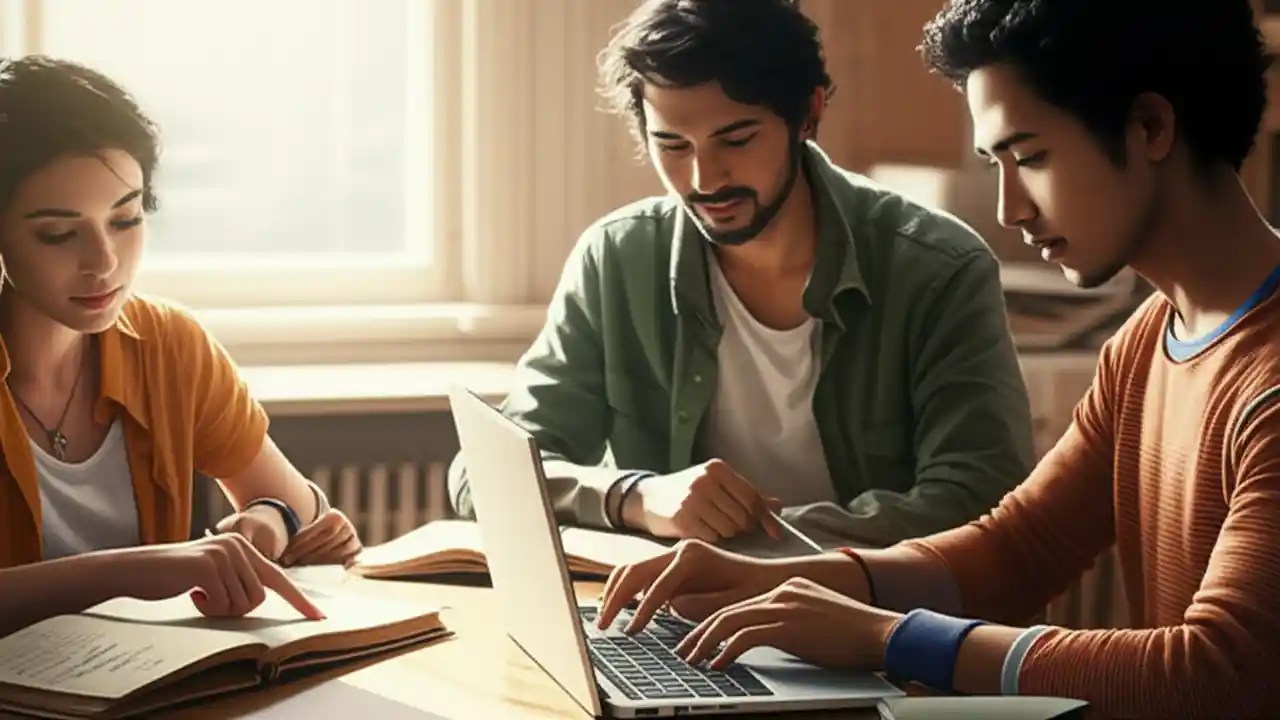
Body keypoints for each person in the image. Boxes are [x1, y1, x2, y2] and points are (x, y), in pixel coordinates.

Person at [596, 1, 1280, 717]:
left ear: (1150, 128)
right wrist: (780, 580)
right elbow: (1019, 549)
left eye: (1031, 158)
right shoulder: (1146, 341)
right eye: (996, 164)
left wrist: (888, 638)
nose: (1010, 209)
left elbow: (1217, 674)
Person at [448, 0, 1034, 549]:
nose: (705, 179)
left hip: (873, 615)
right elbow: (485, 474)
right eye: (672, 146)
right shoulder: (618, 259)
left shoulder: (938, 268)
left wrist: (749, 543)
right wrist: (637, 497)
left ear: (808, 113)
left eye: (736, 139)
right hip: (675, 611)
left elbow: (981, 496)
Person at [0, 56, 363, 637]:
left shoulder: (169, 344)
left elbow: (300, 507)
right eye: (59, 234)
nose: (104, 262)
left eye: (125, 219)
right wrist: (135, 571)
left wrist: (266, 522)